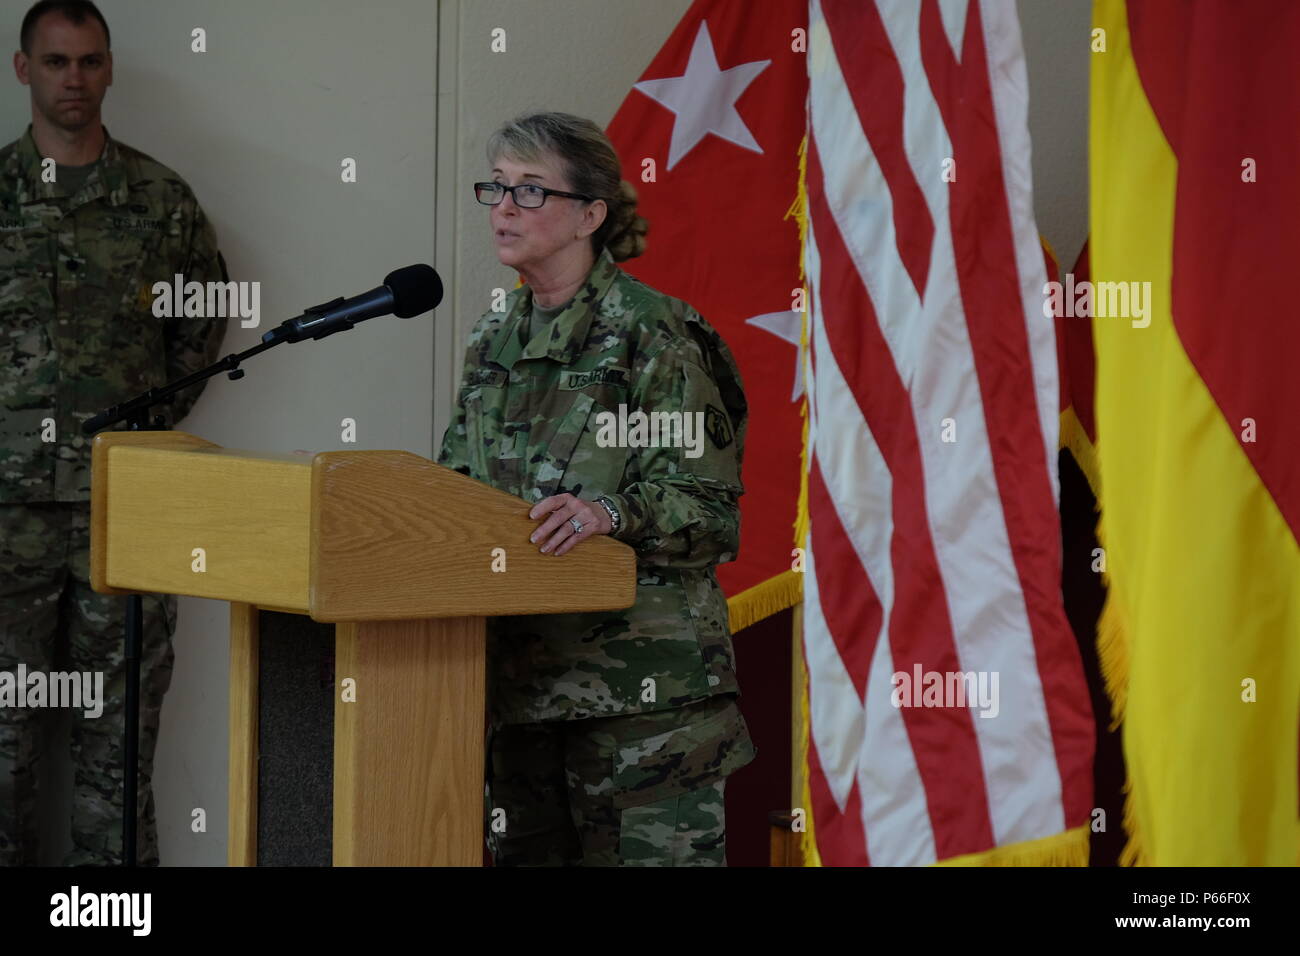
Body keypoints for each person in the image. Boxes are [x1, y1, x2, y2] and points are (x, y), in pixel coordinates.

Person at [438, 110, 756, 866]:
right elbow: (456, 492)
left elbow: (711, 513)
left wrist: (608, 513)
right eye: (497, 188)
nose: (505, 208)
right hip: (519, 689)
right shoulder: (494, 339)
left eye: (530, 190)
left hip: (644, 707)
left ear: (590, 214)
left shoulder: (655, 335)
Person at [0, 0, 228, 865]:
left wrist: (135, 439)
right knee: (3, 737)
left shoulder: (161, 200)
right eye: (56, 62)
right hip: (7, 515)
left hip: (124, 510)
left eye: (90, 61)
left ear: (109, 68)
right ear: (25, 69)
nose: (74, 80)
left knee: (120, 736)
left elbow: (194, 336)